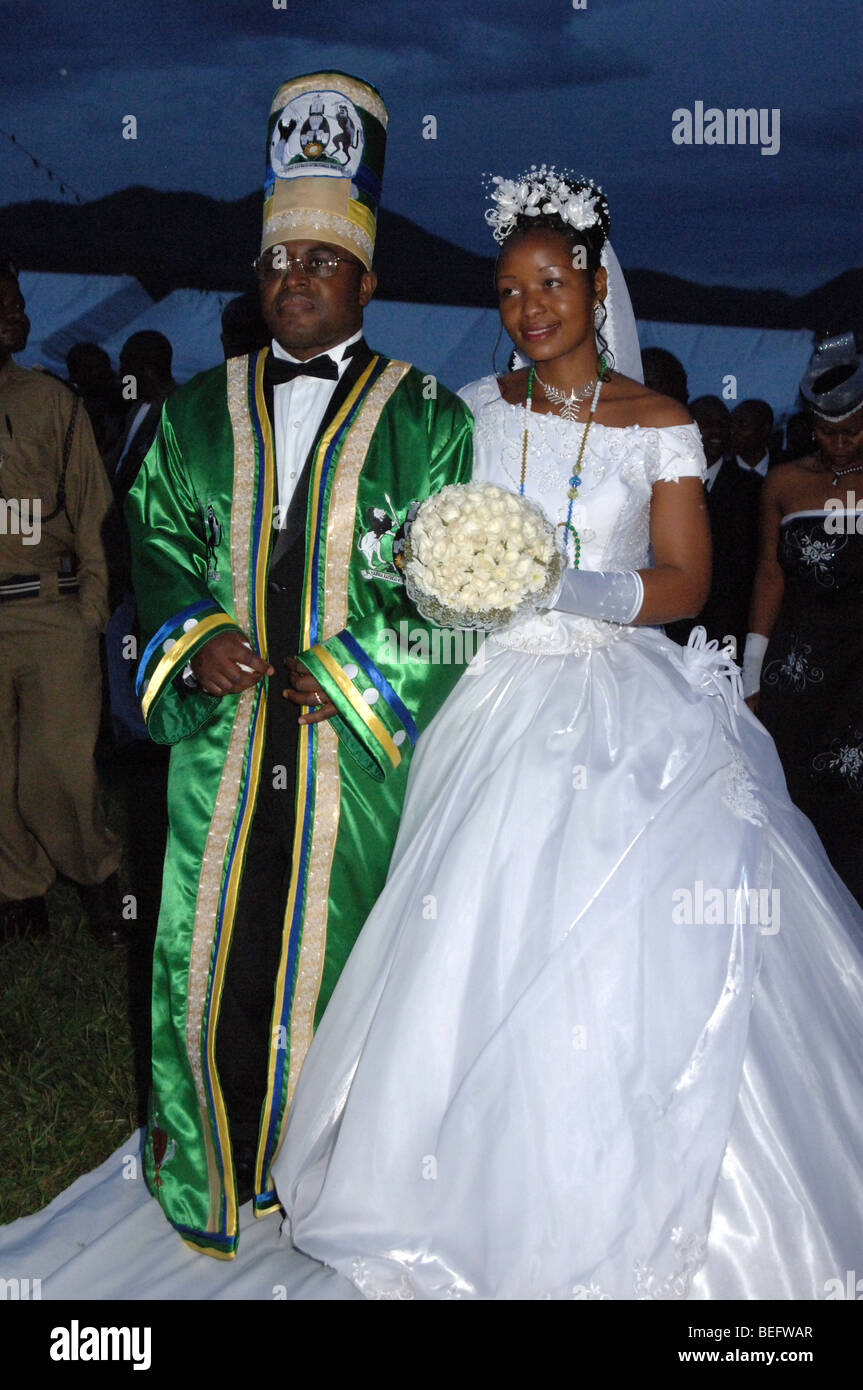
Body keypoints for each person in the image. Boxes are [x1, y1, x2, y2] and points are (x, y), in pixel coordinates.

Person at [272, 169, 863, 1300]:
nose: (528, 307)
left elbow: (685, 582)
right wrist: (451, 579)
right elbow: (419, 545)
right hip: (492, 696)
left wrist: (560, 586)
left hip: (614, 694)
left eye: (549, 283)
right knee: (466, 926)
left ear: (596, 285)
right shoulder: (468, 411)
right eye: (506, 290)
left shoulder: (661, 425)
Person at [124, 71, 475, 1258]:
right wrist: (195, 636)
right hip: (221, 747)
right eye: (276, 264)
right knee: (201, 948)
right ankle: (210, 1175)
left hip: (349, 755)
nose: (293, 283)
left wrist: (364, 672)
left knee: (341, 961)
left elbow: (451, 593)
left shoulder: (429, 417)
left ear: (367, 281)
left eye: (319, 264)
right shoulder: (191, 410)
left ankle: (328, 1184)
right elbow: (156, 538)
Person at [0, 258, 124, 945]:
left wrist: (93, 611)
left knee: (59, 767)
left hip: (51, 612)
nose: (21, 317)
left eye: (21, 304)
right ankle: (19, 895)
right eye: (7, 306)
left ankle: (99, 877)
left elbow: (95, 512)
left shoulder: (52, 401)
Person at [743, 334, 863, 906]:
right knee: (791, 794)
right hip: (798, 663)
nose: (838, 444)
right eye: (825, 431)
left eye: (853, 431)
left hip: (861, 669)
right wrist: (752, 673)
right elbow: (770, 576)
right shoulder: (786, 482)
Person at [668, 395, 761, 658]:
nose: (716, 430)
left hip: (728, 626)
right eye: (706, 423)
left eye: (723, 423)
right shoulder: (666, 481)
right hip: (674, 622)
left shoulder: (751, 488)